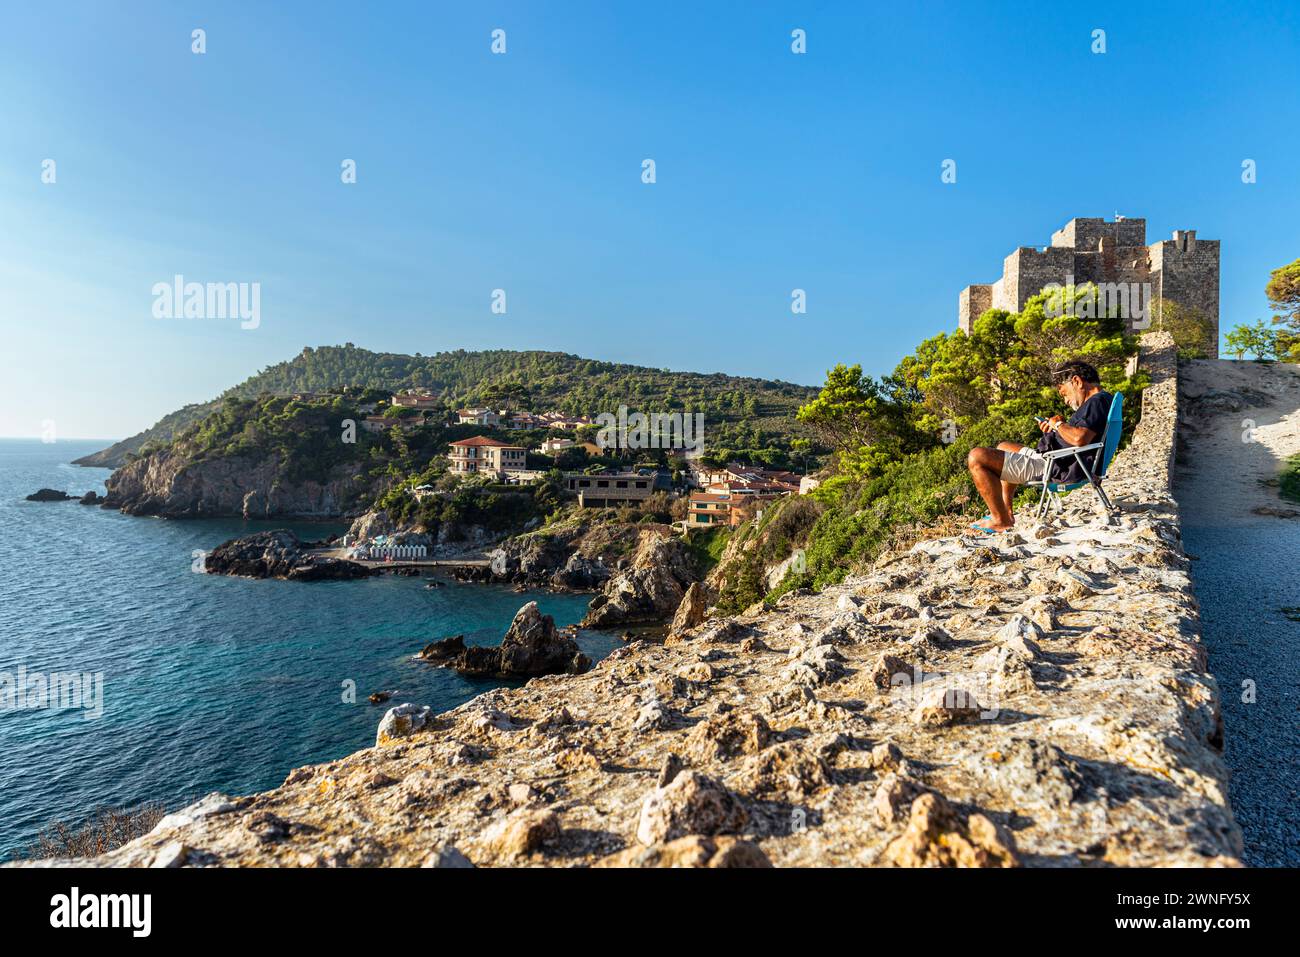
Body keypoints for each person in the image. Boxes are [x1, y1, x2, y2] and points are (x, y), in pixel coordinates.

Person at [965, 360, 1113, 532]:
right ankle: (1006, 512)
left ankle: (1000, 521)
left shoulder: (1096, 402)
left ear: (1077, 382)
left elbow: (1080, 438)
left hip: (1054, 467)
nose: (1065, 400)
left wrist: (1058, 425)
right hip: (1058, 460)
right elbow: (1082, 436)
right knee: (1004, 446)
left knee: (977, 457)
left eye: (1065, 394)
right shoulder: (1103, 401)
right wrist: (1058, 427)